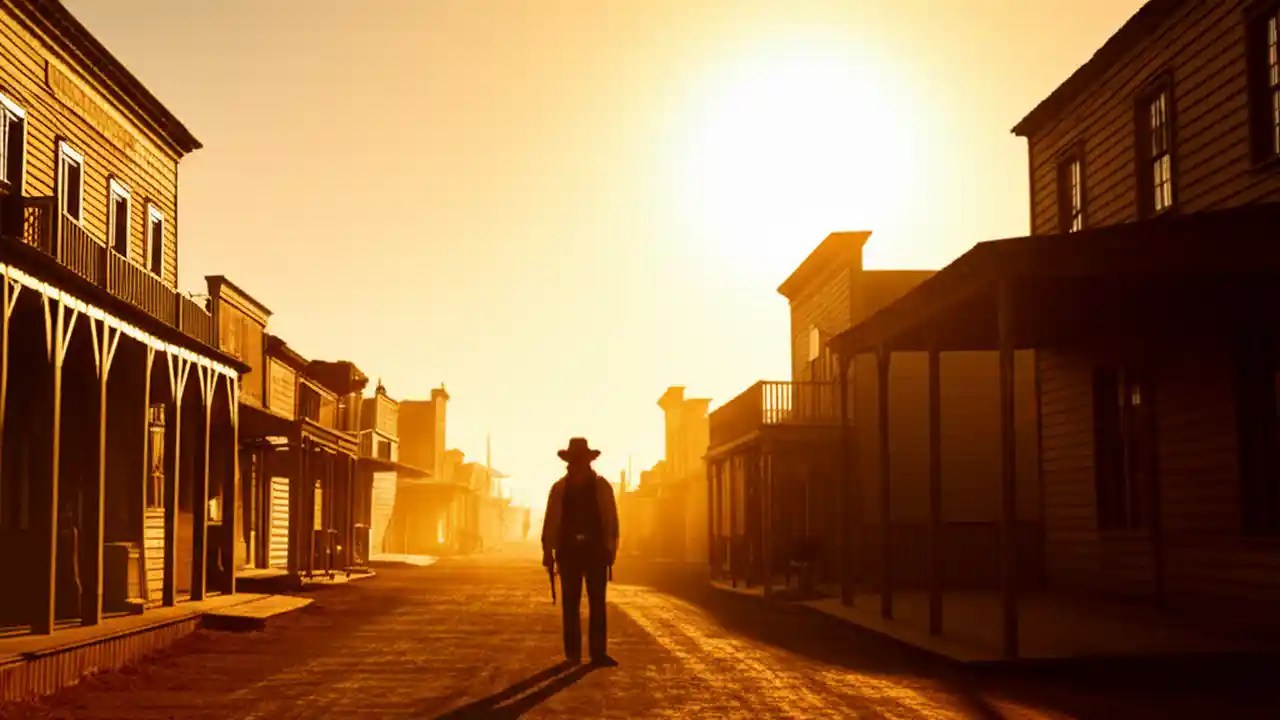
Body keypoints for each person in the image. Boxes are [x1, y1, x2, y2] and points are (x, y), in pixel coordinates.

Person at [541, 437, 619, 666]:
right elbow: (551, 521)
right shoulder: (559, 488)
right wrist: (548, 551)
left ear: (588, 461)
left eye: (580, 460)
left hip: (595, 552)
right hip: (568, 553)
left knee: (597, 604)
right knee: (570, 604)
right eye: (574, 460)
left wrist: (610, 550)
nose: (576, 464)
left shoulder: (602, 487)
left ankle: (598, 653)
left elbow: (611, 522)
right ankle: (572, 655)